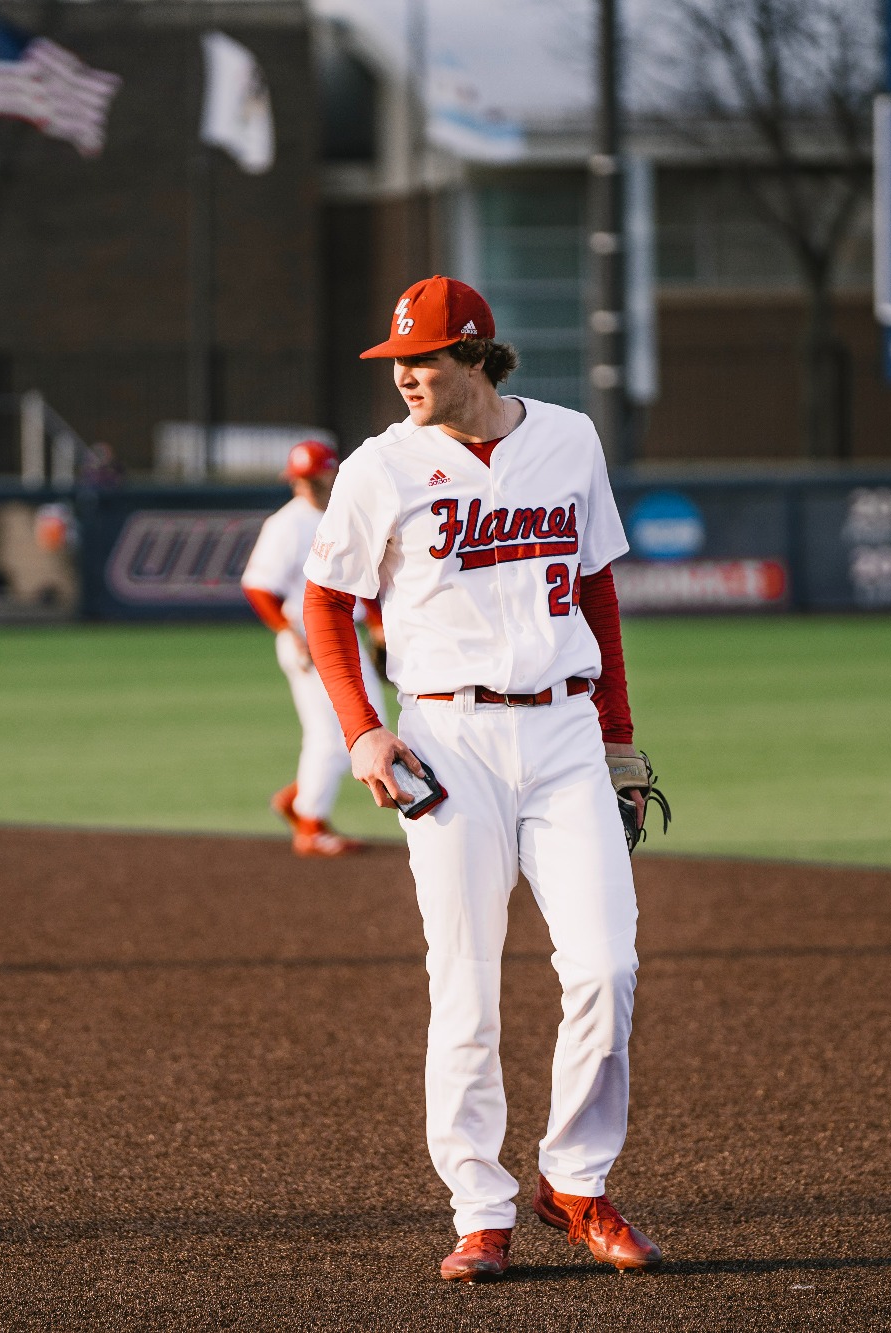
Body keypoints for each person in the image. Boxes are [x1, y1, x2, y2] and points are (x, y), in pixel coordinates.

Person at [301, 276, 664, 1282]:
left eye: (421, 358)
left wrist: (618, 737)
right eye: (396, 360)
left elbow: (595, 588)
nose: (404, 375)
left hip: (560, 735)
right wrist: (363, 732)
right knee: (462, 982)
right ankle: (479, 1208)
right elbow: (324, 606)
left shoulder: (569, 439)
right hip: (446, 743)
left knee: (604, 965)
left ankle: (574, 1184)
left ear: (474, 357)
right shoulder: (382, 467)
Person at [239, 440, 388, 858]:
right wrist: (289, 633)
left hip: (346, 633)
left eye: (312, 477)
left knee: (362, 727)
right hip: (308, 637)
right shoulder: (288, 524)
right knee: (338, 736)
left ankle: (299, 802)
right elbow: (257, 586)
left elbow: (366, 577)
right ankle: (310, 823)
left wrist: (377, 627)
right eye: (299, 479)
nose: (305, 486)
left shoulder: (347, 512)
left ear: (331, 474)